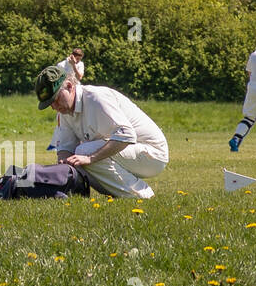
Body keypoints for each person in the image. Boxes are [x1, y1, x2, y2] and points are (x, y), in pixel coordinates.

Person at [36, 63, 168, 199]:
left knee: (83, 153)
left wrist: (90, 158)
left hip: (153, 154)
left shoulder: (96, 98)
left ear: (69, 86)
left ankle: (141, 195)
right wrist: (63, 168)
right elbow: (65, 148)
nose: (53, 106)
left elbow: (126, 135)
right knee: (75, 159)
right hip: (129, 152)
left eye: (56, 99)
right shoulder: (63, 112)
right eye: (49, 103)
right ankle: (91, 193)